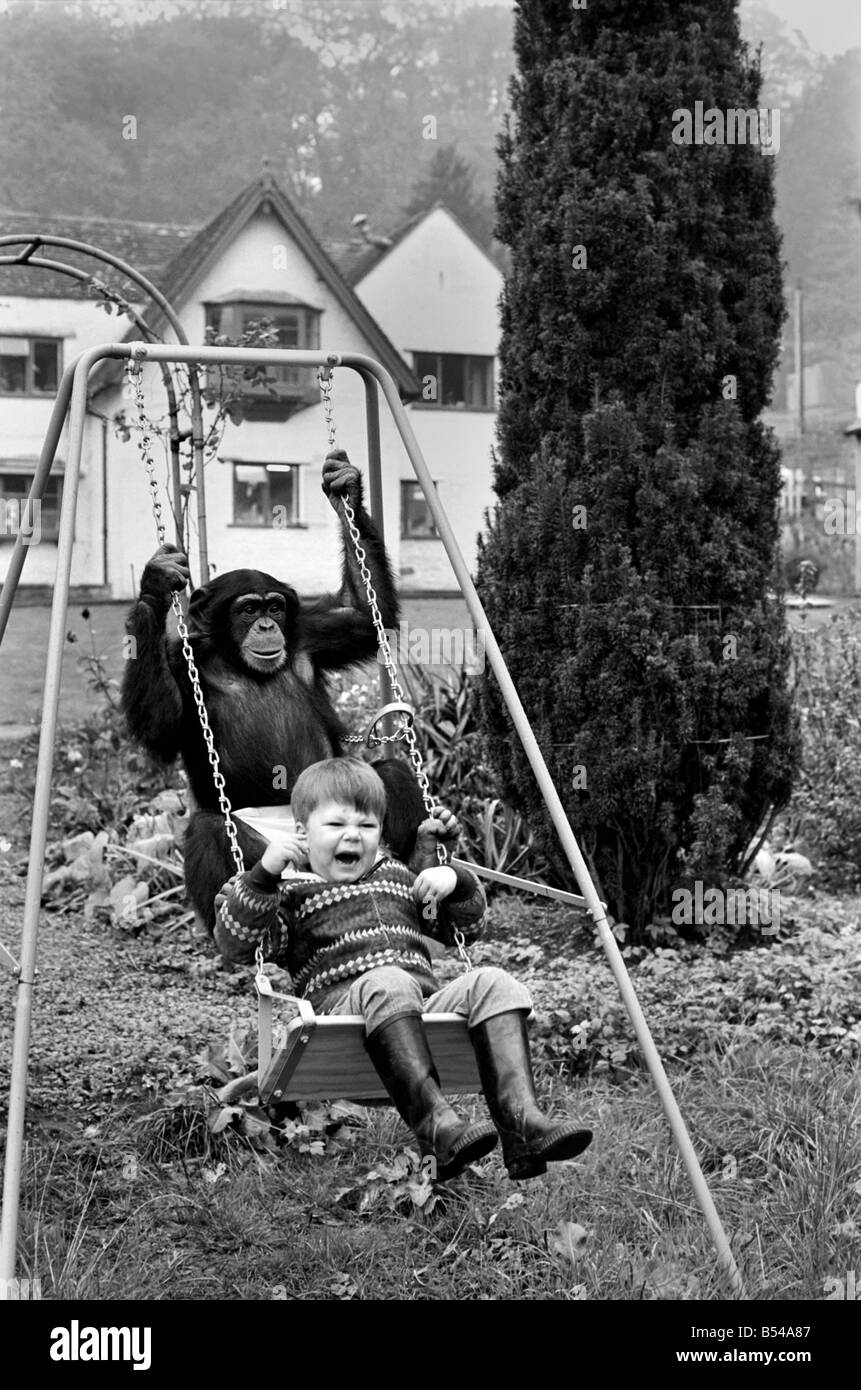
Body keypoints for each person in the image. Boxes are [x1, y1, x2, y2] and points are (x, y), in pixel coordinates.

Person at [214, 757, 593, 1182]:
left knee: (496, 982)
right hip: (343, 1021)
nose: (352, 835)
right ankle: (437, 1130)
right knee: (389, 980)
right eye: (336, 825)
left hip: (422, 1011)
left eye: (367, 826)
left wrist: (454, 880)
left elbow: (465, 928)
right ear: (302, 833)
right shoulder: (288, 894)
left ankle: (523, 1129)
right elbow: (237, 946)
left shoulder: (399, 876)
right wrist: (263, 876)